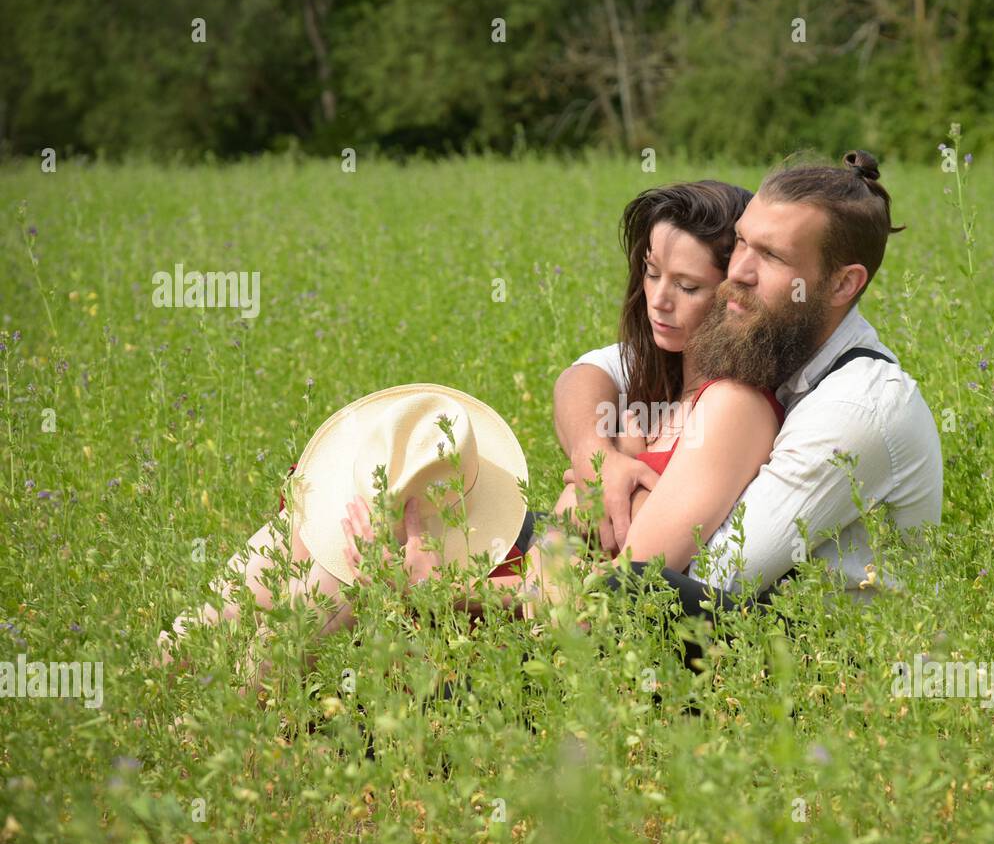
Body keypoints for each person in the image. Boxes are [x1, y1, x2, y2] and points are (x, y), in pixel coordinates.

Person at [161, 178, 795, 685]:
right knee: (338, 514)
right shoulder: (656, 386)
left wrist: (430, 583)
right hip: (540, 584)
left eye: (686, 286)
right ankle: (177, 666)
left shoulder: (731, 404)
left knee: (355, 556)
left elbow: (622, 594)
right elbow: (583, 382)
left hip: (571, 627)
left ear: (732, 294)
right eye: (651, 272)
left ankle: (220, 706)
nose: (658, 299)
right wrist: (594, 461)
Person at [555, 150, 944, 612]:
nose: (737, 272)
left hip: (832, 663)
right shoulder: (766, 335)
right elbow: (591, 372)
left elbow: (716, 572)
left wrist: (619, 490)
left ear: (843, 285)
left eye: (772, 256)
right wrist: (595, 457)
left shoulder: (856, 408)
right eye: (741, 242)